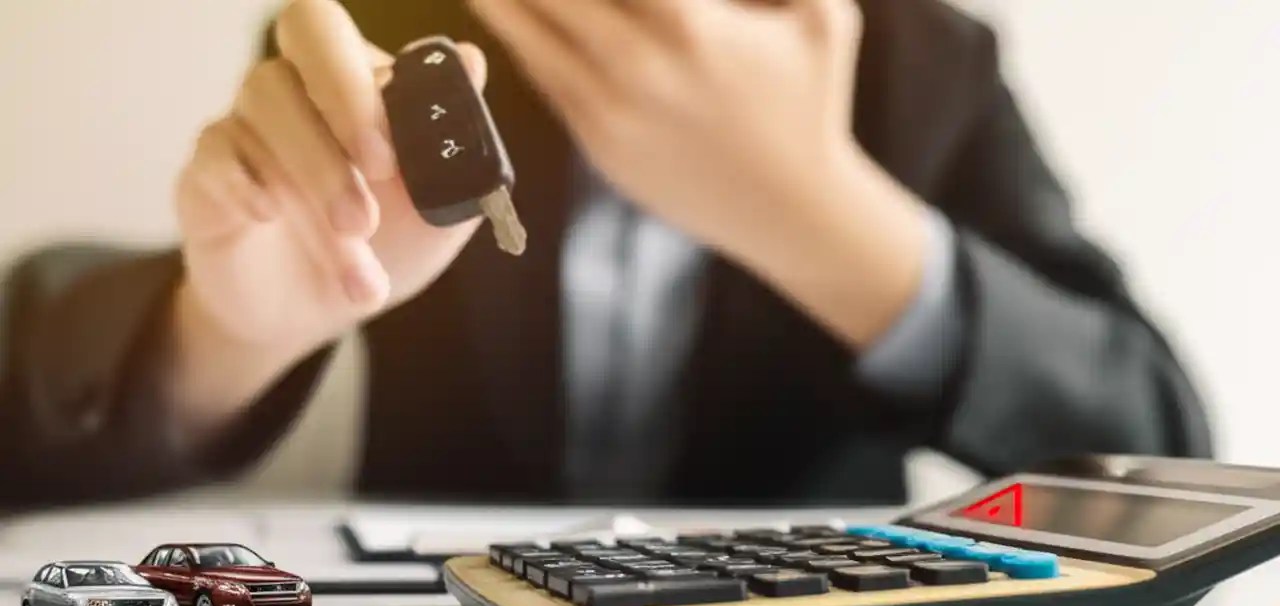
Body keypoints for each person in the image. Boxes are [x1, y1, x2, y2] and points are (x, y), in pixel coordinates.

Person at [0, 0, 1212, 511]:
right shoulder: (397, 36)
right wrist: (230, 338)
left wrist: (831, 224)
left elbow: (1159, 452)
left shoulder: (925, 60)